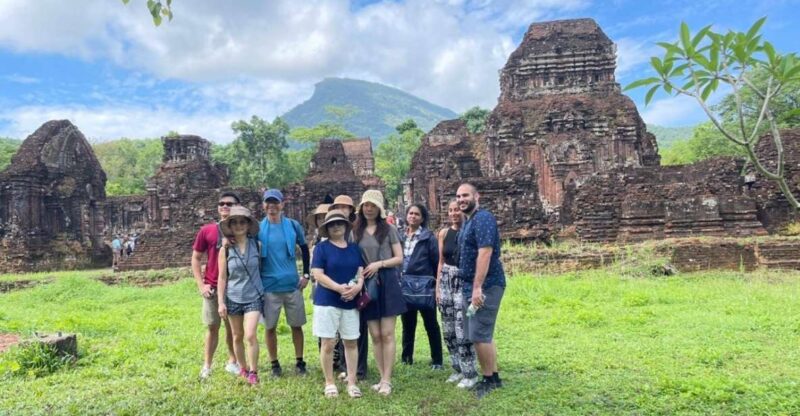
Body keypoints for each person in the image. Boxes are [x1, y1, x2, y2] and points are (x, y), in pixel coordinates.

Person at [353, 189, 406, 396]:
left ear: (379, 208)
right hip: (368, 284)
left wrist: (379, 264)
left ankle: (387, 380)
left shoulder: (389, 229)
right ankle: (381, 377)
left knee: (387, 333)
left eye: (373, 205)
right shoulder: (355, 231)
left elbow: (399, 257)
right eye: (366, 205)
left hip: (388, 281)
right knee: (375, 335)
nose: (369, 209)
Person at [456, 183, 506, 399]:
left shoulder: (483, 218)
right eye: (458, 196)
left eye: (465, 195)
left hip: (486, 285)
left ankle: (488, 380)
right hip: (471, 285)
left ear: (477, 196)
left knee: (479, 333)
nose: (461, 199)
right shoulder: (469, 221)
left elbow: (485, 253)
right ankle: (493, 376)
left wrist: (478, 287)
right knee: (482, 334)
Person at [310, 209, 365, 398]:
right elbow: (318, 274)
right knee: (328, 342)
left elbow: (360, 272)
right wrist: (338, 288)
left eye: (339, 223)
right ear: (326, 228)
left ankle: (352, 382)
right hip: (327, 301)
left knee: (351, 341)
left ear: (346, 226)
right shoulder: (321, 248)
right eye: (332, 224)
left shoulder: (354, 248)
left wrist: (358, 287)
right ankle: (329, 382)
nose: (336, 227)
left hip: (350, 301)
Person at [258, 188, 311, 377]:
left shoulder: (292, 226)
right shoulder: (258, 228)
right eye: (268, 203)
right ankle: (274, 364)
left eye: (275, 203)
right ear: (263, 205)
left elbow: (304, 249)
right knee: (270, 327)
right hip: (269, 285)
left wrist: (306, 274)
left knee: (296, 325)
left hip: (292, 284)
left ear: (282, 205)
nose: (272, 206)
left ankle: (300, 361)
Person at [192, 191, 241, 379]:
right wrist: (201, 285)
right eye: (222, 204)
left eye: (229, 204)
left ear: (237, 207)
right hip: (212, 285)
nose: (225, 206)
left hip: (236, 286)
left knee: (233, 329)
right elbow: (196, 258)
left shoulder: (243, 230)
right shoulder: (208, 231)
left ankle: (233, 361)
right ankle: (207, 365)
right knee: (212, 326)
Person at [217, 206, 263, 385]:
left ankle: (253, 371)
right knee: (237, 336)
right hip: (233, 296)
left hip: (254, 295)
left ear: (248, 225)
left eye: (242, 222)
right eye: (234, 222)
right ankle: (243, 367)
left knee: (250, 335)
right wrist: (220, 302)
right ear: (229, 226)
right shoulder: (225, 249)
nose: (238, 225)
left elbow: (262, 269)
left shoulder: (257, 245)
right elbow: (222, 277)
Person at [436, 200, 478, 388]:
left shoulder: (469, 231)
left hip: (463, 280)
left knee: (463, 328)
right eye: (450, 210)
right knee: (448, 328)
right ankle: (457, 369)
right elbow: (440, 261)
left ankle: (470, 372)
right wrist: (438, 288)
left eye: (457, 210)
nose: (454, 213)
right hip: (446, 279)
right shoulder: (444, 233)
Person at [399, 204, 443, 369]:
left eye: (417, 214)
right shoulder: (400, 236)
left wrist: (436, 285)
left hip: (424, 287)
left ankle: (437, 360)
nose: (413, 216)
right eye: (410, 213)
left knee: (431, 324)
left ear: (422, 218)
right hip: (405, 286)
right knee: (407, 324)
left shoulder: (428, 238)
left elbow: (436, 262)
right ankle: (406, 358)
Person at [330, 194, 365, 380]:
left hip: (358, 281)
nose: (342, 210)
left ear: (352, 210)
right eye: (338, 207)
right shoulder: (332, 228)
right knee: (339, 329)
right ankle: (343, 365)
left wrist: (358, 283)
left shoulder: (357, 229)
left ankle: (359, 368)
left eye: (346, 207)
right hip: (336, 284)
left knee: (358, 329)